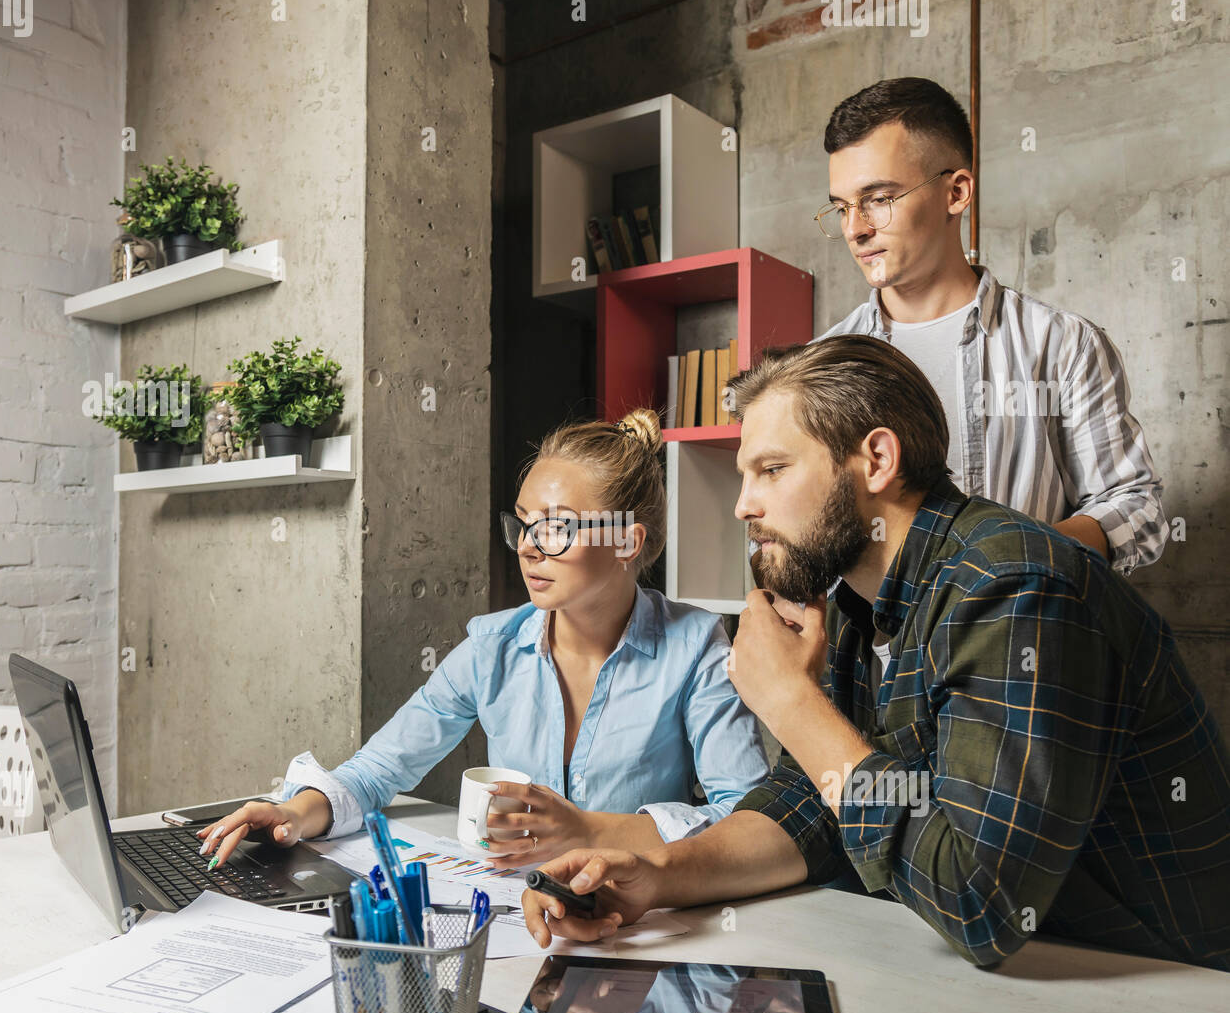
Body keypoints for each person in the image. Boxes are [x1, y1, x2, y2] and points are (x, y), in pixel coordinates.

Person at [522, 337, 1230, 972]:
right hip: (1025, 982)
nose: (743, 505)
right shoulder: (859, 603)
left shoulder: (1017, 589)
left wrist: (791, 703)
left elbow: (980, 901)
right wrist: (660, 874)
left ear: (877, 460)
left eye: (771, 469)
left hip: (1168, 996)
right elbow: (812, 807)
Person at [197, 408, 771, 869]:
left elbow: (748, 819)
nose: (528, 547)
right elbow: (379, 770)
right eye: (523, 525)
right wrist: (295, 813)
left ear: (627, 541)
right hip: (513, 908)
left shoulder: (697, 647)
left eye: (556, 527)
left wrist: (591, 830)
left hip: (645, 918)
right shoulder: (492, 645)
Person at [813, 77, 1167, 575]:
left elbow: (1136, 508)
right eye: (843, 206)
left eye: (879, 198)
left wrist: (1008, 560)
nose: (855, 228)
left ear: (956, 192)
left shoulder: (1061, 345)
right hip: (875, 654)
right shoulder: (823, 363)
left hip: (1019, 644)